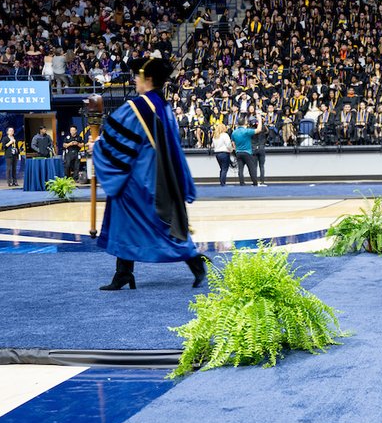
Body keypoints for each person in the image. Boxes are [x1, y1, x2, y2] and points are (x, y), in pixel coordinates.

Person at [90, 57, 205, 291]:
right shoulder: (163, 105)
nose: (135, 80)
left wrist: (98, 146)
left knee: (156, 224)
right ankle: (123, 273)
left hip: (141, 179)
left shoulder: (139, 106)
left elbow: (117, 138)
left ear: (148, 79)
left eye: (137, 76)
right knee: (128, 222)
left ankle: (195, 260)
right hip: (162, 176)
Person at [231, 113, 263, 186]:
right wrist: (259, 119)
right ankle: (255, 183)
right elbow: (259, 130)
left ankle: (242, 183)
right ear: (245, 123)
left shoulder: (234, 132)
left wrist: (236, 150)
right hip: (247, 152)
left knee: (240, 169)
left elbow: (233, 143)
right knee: (251, 168)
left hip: (238, 152)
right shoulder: (246, 131)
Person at [211, 122, 233, 186]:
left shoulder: (215, 136)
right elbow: (228, 144)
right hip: (224, 153)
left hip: (217, 154)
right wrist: (231, 150)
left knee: (222, 169)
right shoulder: (225, 135)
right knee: (224, 169)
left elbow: (213, 145)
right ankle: (223, 183)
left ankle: (221, 182)